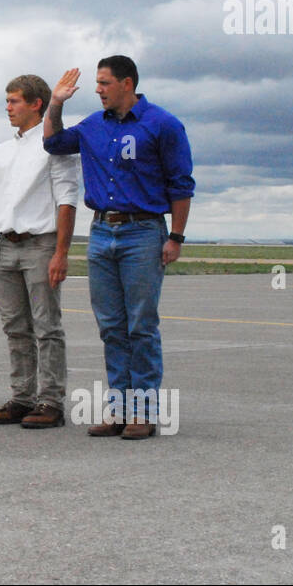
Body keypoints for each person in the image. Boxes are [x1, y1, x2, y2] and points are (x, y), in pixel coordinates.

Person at [42, 55, 194, 439]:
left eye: (104, 83)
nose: (97, 90)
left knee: (140, 324)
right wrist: (56, 102)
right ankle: (118, 409)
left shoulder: (163, 124)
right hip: (100, 233)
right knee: (111, 326)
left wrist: (175, 237)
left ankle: (143, 413)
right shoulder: (92, 125)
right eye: (96, 83)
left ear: (127, 83)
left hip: (142, 232)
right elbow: (53, 143)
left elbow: (181, 184)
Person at [0, 75, 81, 430]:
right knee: (15, 328)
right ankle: (22, 397)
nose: (8, 107)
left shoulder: (53, 146)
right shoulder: (2, 151)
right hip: (7, 246)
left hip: (41, 244)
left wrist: (61, 252)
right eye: (7, 101)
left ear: (36, 104)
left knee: (47, 327)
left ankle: (51, 401)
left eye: (14, 101)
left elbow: (68, 200)